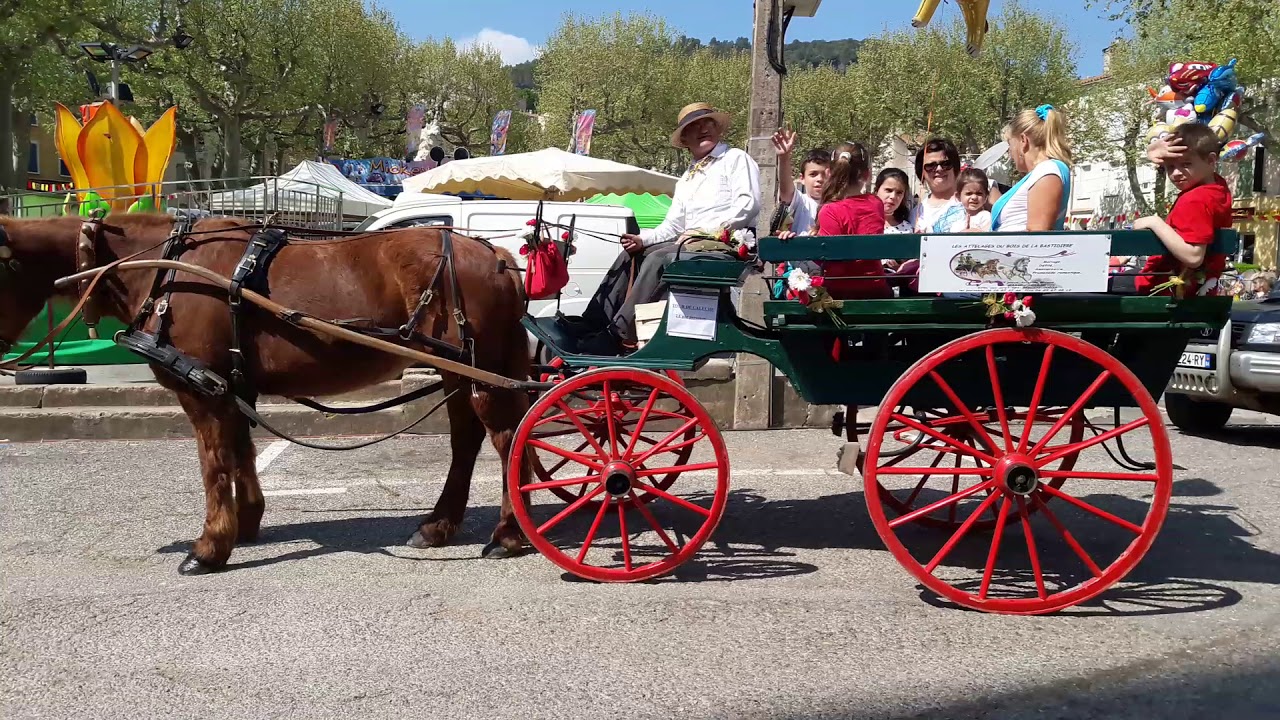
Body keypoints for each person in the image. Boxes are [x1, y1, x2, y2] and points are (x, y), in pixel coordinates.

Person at [569, 102, 760, 355]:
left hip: (723, 246)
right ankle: (594, 320)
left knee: (660, 258)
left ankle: (619, 332)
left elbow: (748, 205)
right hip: (689, 245)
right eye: (695, 127)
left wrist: (707, 232)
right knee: (632, 253)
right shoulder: (687, 178)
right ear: (685, 139)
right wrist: (642, 239)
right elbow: (672, 225)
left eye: (708, 123)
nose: (703, 130)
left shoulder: (735, 159)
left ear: (718, 130)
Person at [1132, 122, 1233, 297]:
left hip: (1158, 290)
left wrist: (1155, 222)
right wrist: (1154, 151)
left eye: (1186, 164)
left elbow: (1194, 257)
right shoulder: (1217, 187)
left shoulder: (1195, 200)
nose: (1176, 173)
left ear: (1211, 160)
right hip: (1192, 290)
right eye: (1170, 167)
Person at [814, 143, 891, 299]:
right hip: (876, 290)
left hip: (840, 294)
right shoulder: (876, 203)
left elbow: (830, 261)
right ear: (867, 174)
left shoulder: (830, 210)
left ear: (829, 173)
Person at [990, 105, 1073, 232]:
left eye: (1010, 145)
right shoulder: (1043, 172)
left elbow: (1037, 237)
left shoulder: (1047, 170)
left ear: (1023, 140)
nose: (1009, 154)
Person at [772, 128, 829, 235]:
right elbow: (785, 190)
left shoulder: (838, 205)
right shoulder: (800, 201)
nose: (820, 179)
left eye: (825, 175)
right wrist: (784, 158)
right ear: (802, 178)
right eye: (813, 174)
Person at [912, 137, 966, 233]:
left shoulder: (977, 198)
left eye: (946, 164)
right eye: (930, 166)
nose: (939, 169)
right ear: (922, 173)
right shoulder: (914, 215)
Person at [875, 168, 914, 234]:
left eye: (899, 193)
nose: (893, 196)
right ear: (876, 190)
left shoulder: (907, 229)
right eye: (888, 190)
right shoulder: (862, 222)